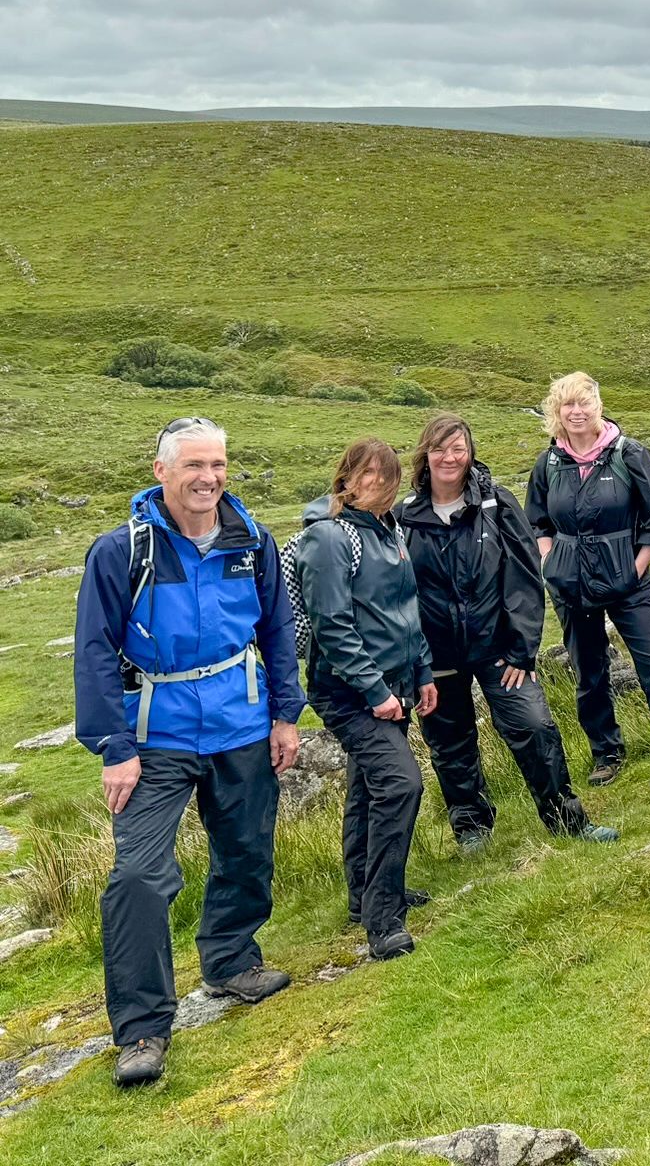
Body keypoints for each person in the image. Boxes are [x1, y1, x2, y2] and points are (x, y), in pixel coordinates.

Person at [74, 417, 304, 1088]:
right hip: (156, 736)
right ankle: (142, 1028)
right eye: (194, 465)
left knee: (247, 850)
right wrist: (114, 745)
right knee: (139, 877)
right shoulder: (121, 551)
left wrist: (285, 714)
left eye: (218, 464)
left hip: (241, 722)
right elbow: (94, 650)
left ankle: (231, 962)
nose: (209, 477)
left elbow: (278, 629)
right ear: (162, 472)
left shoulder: (252, 541)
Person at [397, 414, 616, 850]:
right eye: (440, 449)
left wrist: (522, 649)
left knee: (535, 727)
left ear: (470, 453)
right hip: (436, 657)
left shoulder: (495, 505)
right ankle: (471, 829)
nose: (449, 458)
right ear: (425, 454)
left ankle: (567, 819)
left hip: (499, 649)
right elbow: (398, 592)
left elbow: (524, 579)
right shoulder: (404, 516)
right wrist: (415, 660)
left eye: (458, 449)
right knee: (450, 744)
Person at [299, 438, 437, 961]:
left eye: (388, 475)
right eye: (368, 475)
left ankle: (363, 894)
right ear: (347, 478)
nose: (380, 484)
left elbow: (407, 609)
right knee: (401, 784)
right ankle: (384, 920)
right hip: (348, 691)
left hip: (395, 684)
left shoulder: (389, 529)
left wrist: (422, 671)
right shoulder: (330, 537)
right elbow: (332, 625)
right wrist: (375, 691)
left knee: (368, 787)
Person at [525, 371, 650, 786]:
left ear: (598, 406)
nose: (576, 411)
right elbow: (538, 520)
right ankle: (606, 753)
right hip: (571, 585)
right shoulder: (549, 463)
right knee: (590, 673)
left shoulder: (628, 454)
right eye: (568, 404)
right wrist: (550, 560)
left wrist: (636, 568)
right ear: (557, 411)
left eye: (584, 402)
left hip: (628, 584)